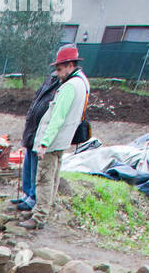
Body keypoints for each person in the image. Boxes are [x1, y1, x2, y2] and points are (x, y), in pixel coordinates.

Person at [21, 45, 89, 231]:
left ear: (69, 65)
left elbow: (56, 118)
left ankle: (39, 217)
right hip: (62, 141)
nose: (57, 74)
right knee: (53, 178)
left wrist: (44, 143)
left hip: (52, 142)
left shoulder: (69, 87)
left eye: (59, 69)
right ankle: (42, 210)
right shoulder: (83, 82)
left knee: (44, 179)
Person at [10, 70, 60, 214]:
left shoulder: (62, 85)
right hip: (33, 129)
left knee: (35, 167)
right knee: (28, 163)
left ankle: (33, 196)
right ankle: (27, 194)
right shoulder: (50, 81)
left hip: (41, 131)